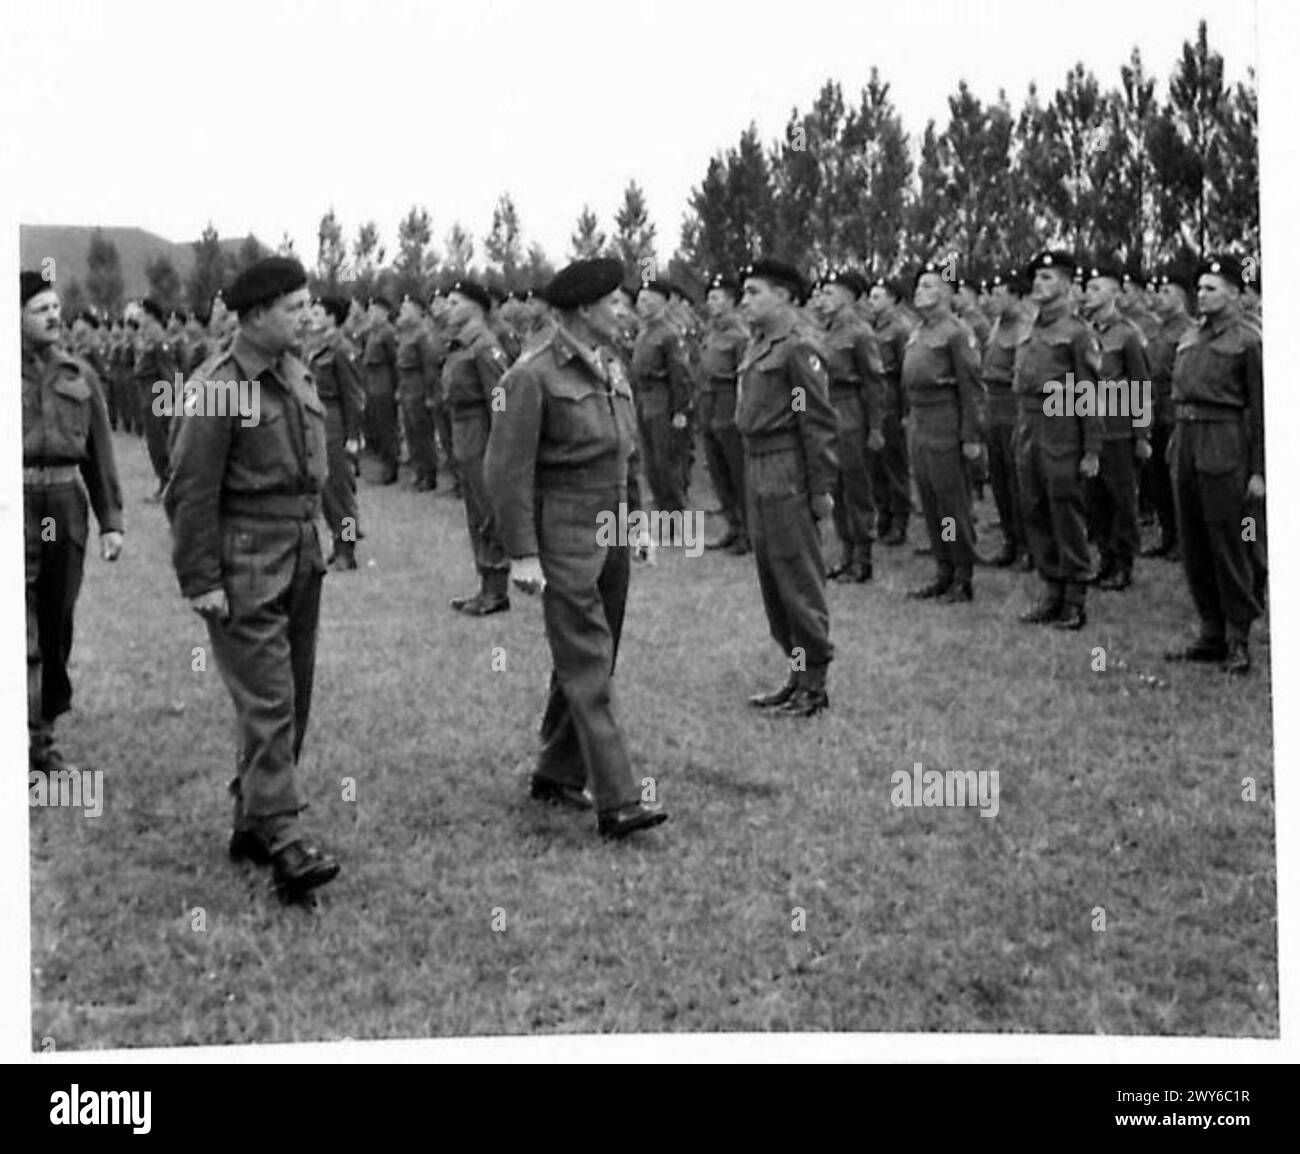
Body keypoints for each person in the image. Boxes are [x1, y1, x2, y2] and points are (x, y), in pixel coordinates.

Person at [166, 256, 340, 899]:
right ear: (257, 314)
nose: (306, 315)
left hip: (299, 553)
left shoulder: (295, 373)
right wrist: (201, 579)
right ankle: (286, 838)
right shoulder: (219, 385)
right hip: (244, 562)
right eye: (293, 307)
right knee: (268, 700)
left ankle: (251, 819)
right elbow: (189, 490)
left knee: (293, 695)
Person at [484, 258, 667, 839]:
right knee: (588, 663)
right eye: (614, 302)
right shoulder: (531, 375)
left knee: (597, 655)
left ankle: (556, 771)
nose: (624, 310)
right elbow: (505, 470)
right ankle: (619, 799)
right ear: (583, 310)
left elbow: (626, 451)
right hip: (564, 536)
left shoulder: (608, 366)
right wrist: (523, 553)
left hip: (609, 528)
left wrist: (636, 522)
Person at [21, 271, 124, 774]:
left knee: (54, 618)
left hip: (62, 505)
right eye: (40, 309)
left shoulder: (77, 374)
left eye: (55, 308)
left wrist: (111, 521)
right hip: (15, 501)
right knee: (18, 625)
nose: (54, 316)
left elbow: (100, 453)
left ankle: (42, 738)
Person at [736, 259, 838, 718]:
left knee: (796, 573)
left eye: (755, 292)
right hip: (757, 462)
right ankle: (796, 673)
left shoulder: (798, 348)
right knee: (772, 578)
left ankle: (814, 682)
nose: (745, 300)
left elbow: (815, 420)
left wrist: (820, 489)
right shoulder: (759, 345)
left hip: (786, 467)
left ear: (785, 296)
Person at [1164, 255, 1264, 674]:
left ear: (1237, 295)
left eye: (1212, 288)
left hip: (1224, 442)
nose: (1202, 295)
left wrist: (1260, 470)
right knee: (1193, 542)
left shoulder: (1248, 341)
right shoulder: (1189, 336)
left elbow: (1262, 411)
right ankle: (1211, 632)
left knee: (1228, 542)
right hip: (1186, 440)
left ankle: (1238, 637)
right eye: (1200, 288)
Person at [1013, 251, 1104, 630]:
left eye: (1048, 278)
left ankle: (1075, 598)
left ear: (1068, 285)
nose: (1038, 284)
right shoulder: (1030, 327)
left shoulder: (1077, 332)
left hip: (1061, 424)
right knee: (1035, 509)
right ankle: (1051, 591)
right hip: (1029, 424)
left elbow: (1090, 392)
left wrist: (1092, 449)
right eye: (1036, 277)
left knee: (1065, 511)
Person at [900, 261, 983, 602]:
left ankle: (962, 575)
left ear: (949, 293)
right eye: (919, 285)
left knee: (951, 503)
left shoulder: (956, 332)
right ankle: (943, 568)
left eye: (931, 286)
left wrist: (971, 437)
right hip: (919, 421)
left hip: (944, 421)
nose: (921, 291)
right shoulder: (918, 331)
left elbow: (971, 389)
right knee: (931, 502)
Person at [442, 278, 512, 614]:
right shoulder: (461, 345)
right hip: (465, 433)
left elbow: (499, 398)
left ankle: (497, 589)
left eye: (455, 302)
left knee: (488, 512)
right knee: (475, 511)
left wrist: (500, 445)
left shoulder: (484, 346)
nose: (448, 307)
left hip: (483, 434)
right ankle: (485, 584)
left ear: (475, 307)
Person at [1080, 263, 1151, 591]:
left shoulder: (1127, 334)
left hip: (1119, 430)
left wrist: (1142, 435)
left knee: (1122, 500)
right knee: (1096, 502)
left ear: (1114, 293)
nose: (1087, 293)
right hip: (1090, 430)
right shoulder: (1085, 332)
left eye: (1096, 288)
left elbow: (1140, 386)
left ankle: (1124, 563)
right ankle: (1105, 559)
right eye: (1087, 288)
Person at [814, 270, 885, 583]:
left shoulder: (860, 332)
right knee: (836, 486)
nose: (823, 298)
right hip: (826, 410)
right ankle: (846, 552)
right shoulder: (822, 331)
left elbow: (874, 383)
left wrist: (876, 427)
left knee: (856, 487)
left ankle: (863, 558)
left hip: (850, 410)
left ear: (849, 297)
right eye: (822, 292)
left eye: (831, 293)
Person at [307, 295, 366, 569]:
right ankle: (338, 541)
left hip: (334, 422)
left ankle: (347, 549)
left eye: (318, 313)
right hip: (317, 419)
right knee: (325, 490)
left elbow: (353, 395)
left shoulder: (341, 348)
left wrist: (353, 436)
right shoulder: (315, 346)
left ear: (332, 318)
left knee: (340, 492)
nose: (311, 317)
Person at [1141, 269, 1195, 560]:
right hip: (1154, 410)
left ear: (1183, 298)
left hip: (1175, 412)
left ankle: (1183, 542)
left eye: (1167, 293)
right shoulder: (1157, 330)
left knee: (1177, 481)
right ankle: (1167, 535)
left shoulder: (1189, 329)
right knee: (1157, 479)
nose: (1160, 298)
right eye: (1159, 293)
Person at [630, 280, 692, 525]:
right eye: (640, 300)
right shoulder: (645, 331)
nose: (641, 305)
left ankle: (682, 523)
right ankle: (666, 519)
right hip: (644, 399)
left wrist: (680, 410)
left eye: (647, 300)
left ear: (662, 303)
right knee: (652, 465)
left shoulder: (669, 333)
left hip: (662, 399)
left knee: (669, 465)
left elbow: (681, 374)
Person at [697, 273, 751, 554]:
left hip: (728, 399)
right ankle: (733, 524)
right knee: (718, 469)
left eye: (717, 297)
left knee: (737, 469)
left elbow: (745, 376)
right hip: (708, 399)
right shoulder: (712, 331)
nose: (710, 303)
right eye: (709, 297)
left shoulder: (740, 334)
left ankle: (748, 530)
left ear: (732, 302)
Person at [981, 271, 1030, 568]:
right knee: (999, 479)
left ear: (1016, 296)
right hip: (993, 407)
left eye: (1000, 293)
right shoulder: (997, 326)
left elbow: (1022, 375)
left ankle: (1028, 546)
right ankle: (1010, 541)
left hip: (1013, 408)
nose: (993, 299)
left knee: (1018, 482)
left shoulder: (1024, 330)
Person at [866, 276, 915, 546]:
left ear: (893, 300)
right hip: (874, 403)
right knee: (876, 466)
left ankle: (900, 521)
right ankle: (883, 515)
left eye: (877, 296)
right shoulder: (871, 328)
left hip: (892, 402)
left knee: (894, 465)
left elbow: (907, 373)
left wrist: (907, 411)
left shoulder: (899, 329)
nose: (871, 301)